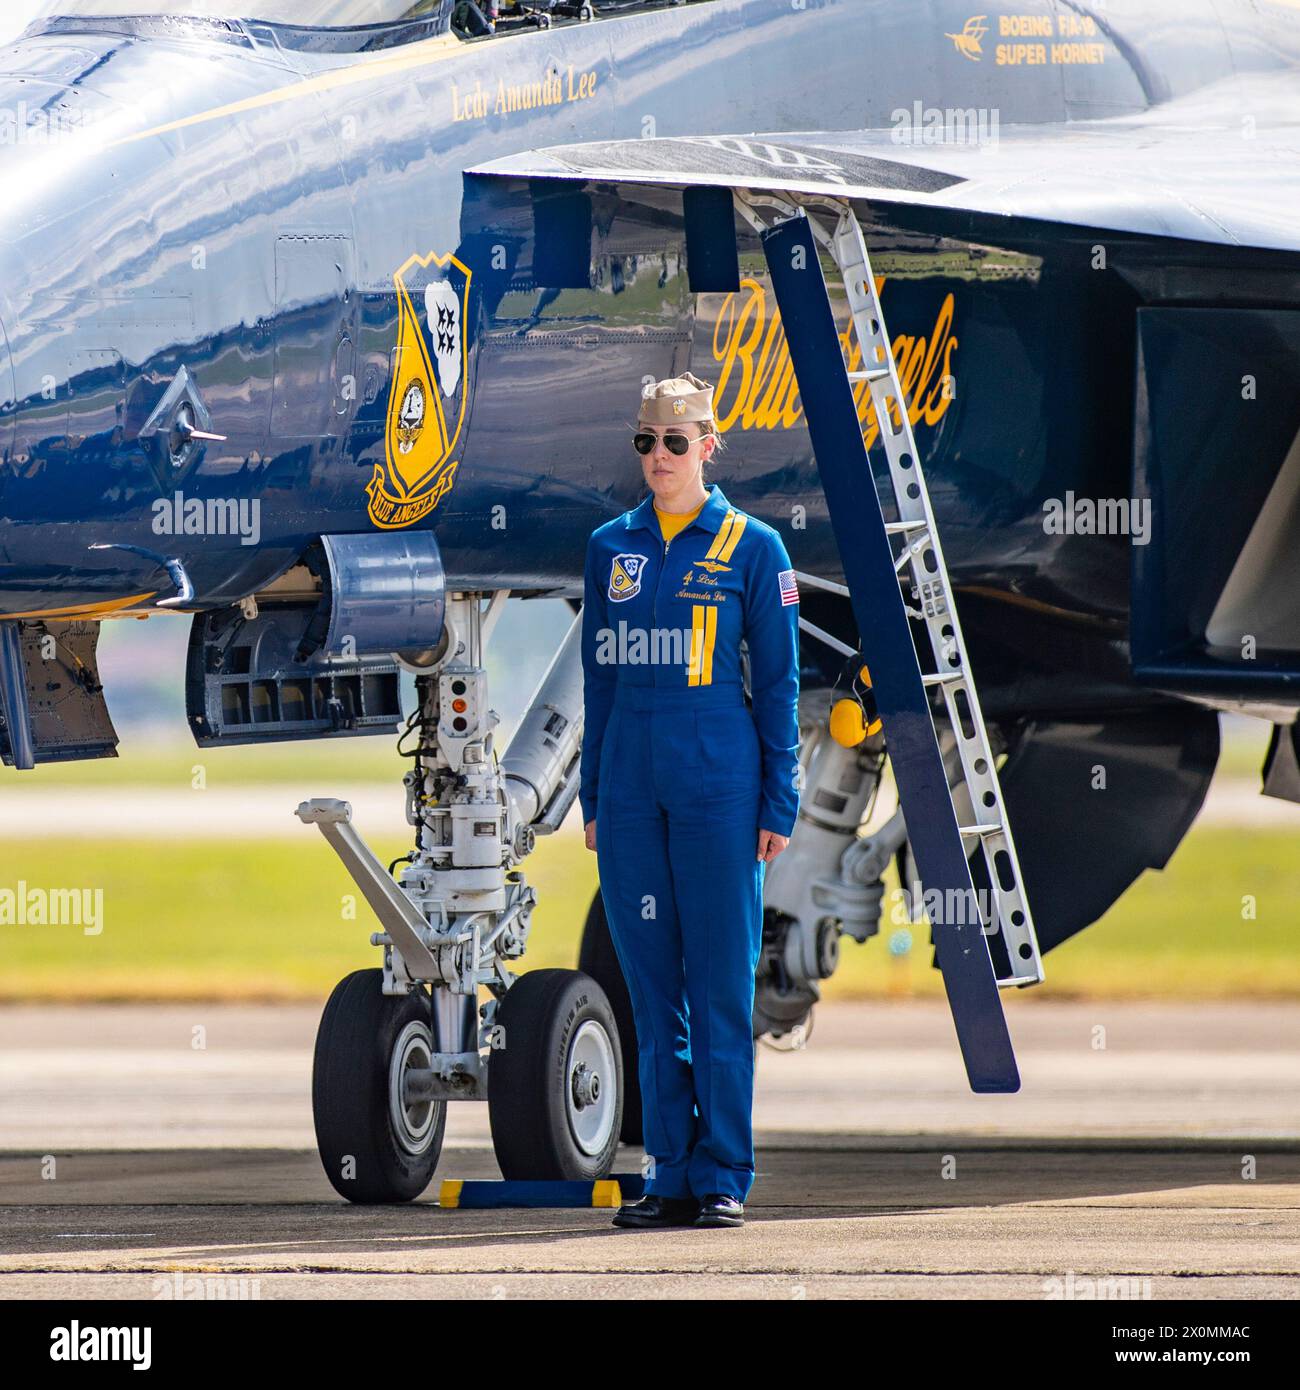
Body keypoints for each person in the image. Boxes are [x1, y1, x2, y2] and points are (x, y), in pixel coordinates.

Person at [579, 370, 801, 1230]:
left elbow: (778, 686)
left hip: (719, 777)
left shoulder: (753, 549)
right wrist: (595, 791)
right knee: (650, 986)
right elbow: (600, 680)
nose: (660, 457)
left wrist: (778, 801)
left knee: (718, 982)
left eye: (676, 442)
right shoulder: (612, 547)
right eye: (646, 442)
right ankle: (667, 1169)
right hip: (634, 779)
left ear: (709, 445)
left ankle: (723, 1174)